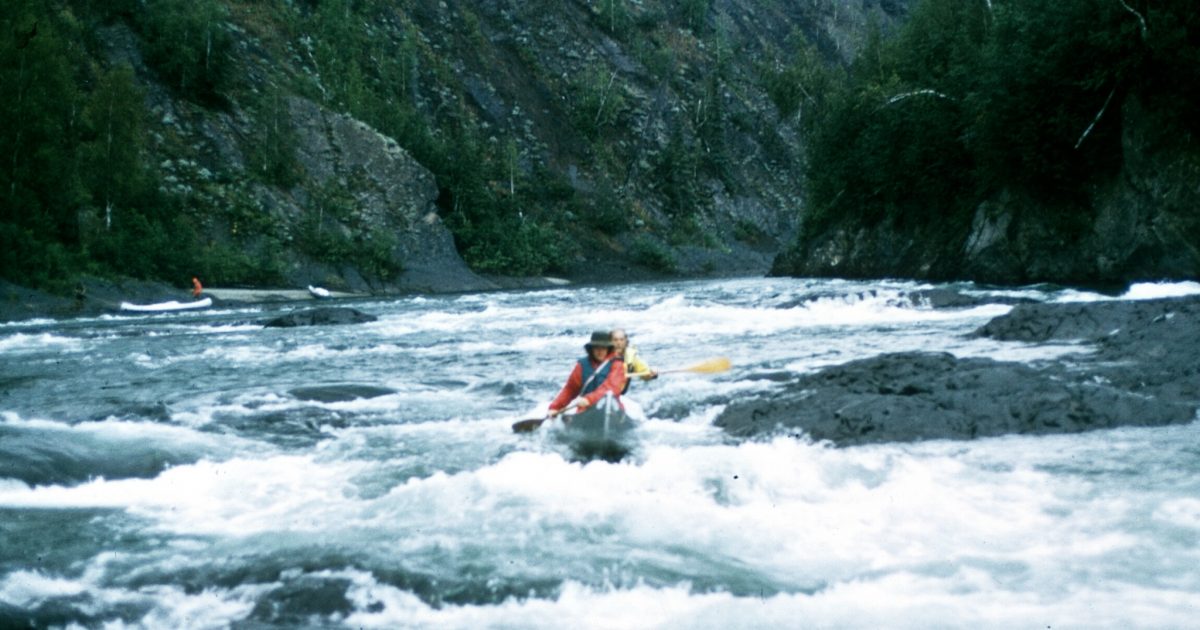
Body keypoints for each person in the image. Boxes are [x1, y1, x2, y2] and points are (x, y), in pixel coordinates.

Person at [548, 330, 627, 418]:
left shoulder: (617, 364)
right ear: (591, 349)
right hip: (586, 410)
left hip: (611, 410)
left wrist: (589, 399)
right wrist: (555, 407)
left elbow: (612, 387)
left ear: (608, 349)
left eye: (603, 348)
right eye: (597, 348)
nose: (600, 351)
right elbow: (570, 390)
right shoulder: (582, 365)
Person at [610, 328, 656, 393]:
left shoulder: (631, 357)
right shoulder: (602, 354)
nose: (618, 343)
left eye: (621, 340)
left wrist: (650, 375)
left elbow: (644, 371)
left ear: (626, 342)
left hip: (618, 394)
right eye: (615, 340)